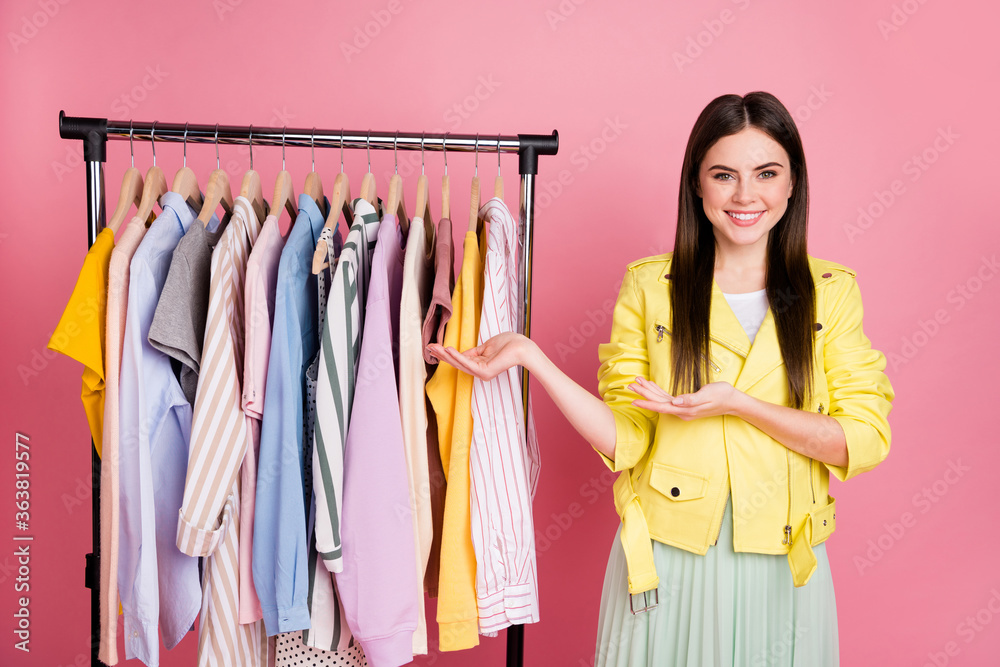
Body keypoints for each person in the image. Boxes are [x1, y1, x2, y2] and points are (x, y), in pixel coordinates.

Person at [426, 91, 895, 666]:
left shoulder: (833, 291)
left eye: (766, 173)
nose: (745, 196)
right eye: (724, 175)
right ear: (697, 186)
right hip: (666, 564)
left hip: (785, 571)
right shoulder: (653, 288)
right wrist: (532, 358)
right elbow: (629, 440)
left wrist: (739, 405)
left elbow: (863, 439)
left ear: (792, 182)